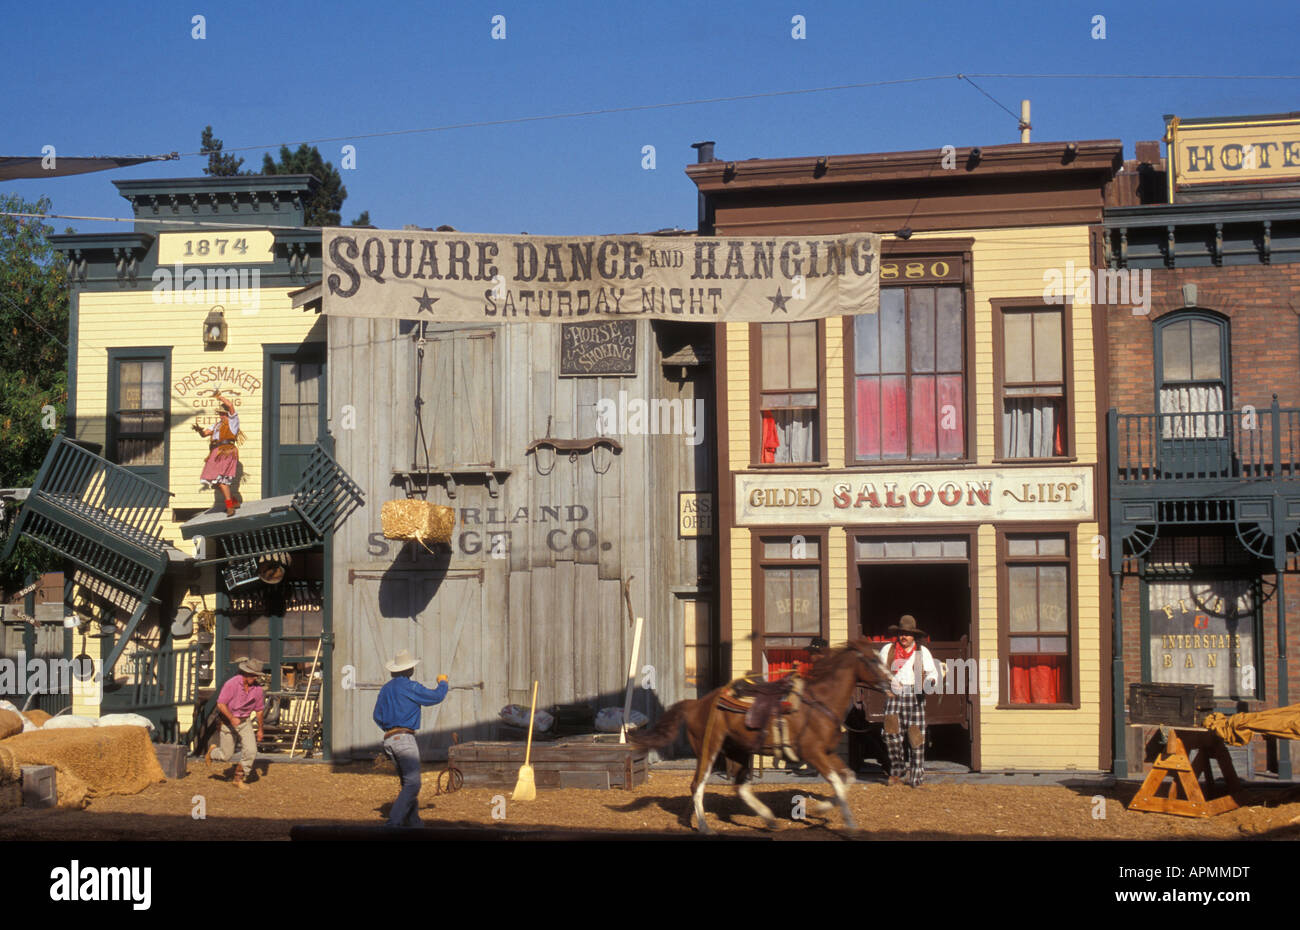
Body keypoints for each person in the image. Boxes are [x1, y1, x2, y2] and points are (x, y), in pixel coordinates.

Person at [372, 649, 449, 828]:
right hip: (404, 739)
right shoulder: (410, 687)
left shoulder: (386, 689)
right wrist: (443, 682)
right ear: (409, 671)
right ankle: (394, 823)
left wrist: (390, 727)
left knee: (407, 782)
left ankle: (414, 823)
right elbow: (436, 696)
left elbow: (377, 715)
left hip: (389, 739)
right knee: (413, 784)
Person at [878, 615, 939, 788]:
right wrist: (886, 688)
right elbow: (879, 672)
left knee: (915, 737)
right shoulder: (888, 650)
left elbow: (932, 673)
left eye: (908, 634)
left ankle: (916, 775)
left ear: (914, 636)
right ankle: (897, 769)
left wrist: (930, 681)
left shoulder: (922, 652)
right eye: (901, 633)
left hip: (915, 695)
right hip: (894, 695)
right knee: (891, 735)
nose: (904, 637)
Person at [206, 657, 265, 790]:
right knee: (226, 756)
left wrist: (260, 729)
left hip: (244, 722)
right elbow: (221, 704)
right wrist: (231, 718)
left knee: (251, 751)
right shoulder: (231, 684)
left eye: (256, 675)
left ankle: (238, 779)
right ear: (245, 672)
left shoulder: (258, 690)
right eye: (253, 675)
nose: (255, 678)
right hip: (228, 722)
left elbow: (259, 711)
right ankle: (212, 752)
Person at [193, 392, 243, 515]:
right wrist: (199, 430)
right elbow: (205, 434)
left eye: (222, 413)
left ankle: (230, 506)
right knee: (216, 483)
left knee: (221, 481)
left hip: (226, 451)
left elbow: (230, 405)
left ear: (226, 413)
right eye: (219, 413)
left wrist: (219, 396)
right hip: (216, 453)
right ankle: (234, 501)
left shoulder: (233, 422)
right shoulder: (217, 425)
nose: (220, 415)